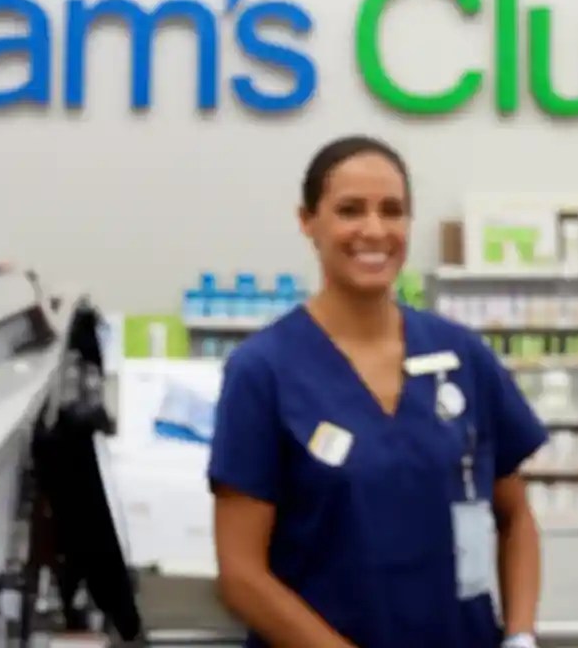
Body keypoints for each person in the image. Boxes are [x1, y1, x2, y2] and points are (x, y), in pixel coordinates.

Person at [207, 135, 549, 648]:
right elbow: (242, 575)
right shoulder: (263, 371)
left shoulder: (462, 355)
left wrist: (521, 633)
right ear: (308, 222)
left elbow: (515, 515)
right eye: (350, 210)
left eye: (392, 211)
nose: (374, 230)